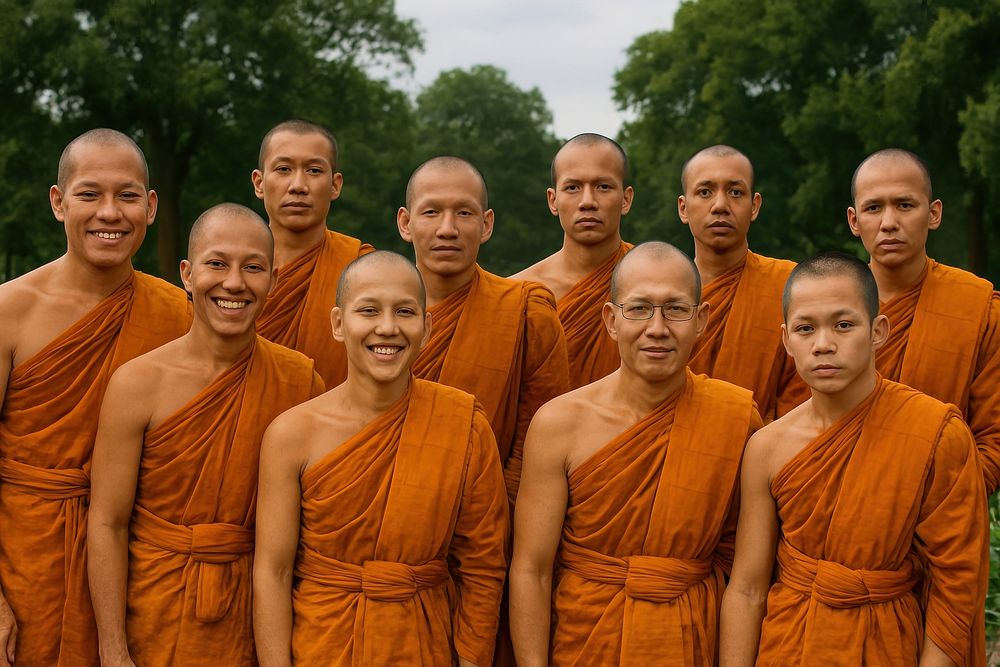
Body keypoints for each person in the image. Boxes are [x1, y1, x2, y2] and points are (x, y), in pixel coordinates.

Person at [721, 251, 987, 666]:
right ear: (787, 340)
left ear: (878, 330)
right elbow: (748, 589)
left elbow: (957, 587)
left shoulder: (935, 433)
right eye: (805, 329)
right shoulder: (767, 447)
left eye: (843, 325)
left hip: (886, 643)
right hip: (789, 644)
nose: (824, 344)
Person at [88, 204, 323, 666]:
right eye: (216, 264)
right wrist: (113, 648)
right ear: (187, 274)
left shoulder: (300, 382)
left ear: (273, 281)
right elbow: (107, 523)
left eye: (253, 268)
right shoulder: (138, 383)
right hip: (153, 608)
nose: (234, 283)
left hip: (255, 614)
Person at [511, 242, 761, 666]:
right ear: (611, 320)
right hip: (585, 641)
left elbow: (747, 578)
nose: (658, 328)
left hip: (689, 640)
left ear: (701, 320)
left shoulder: (736, 419)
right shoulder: (559, 424)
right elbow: (531, 570)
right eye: (639, 308)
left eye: (676, 310)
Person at [253, 251, 508, 666]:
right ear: (339, 323)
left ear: (426, 328)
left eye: (405, 312)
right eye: (368, 310)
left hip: (423, 645)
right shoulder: (293, 434)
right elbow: (273, 572)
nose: (387, 328)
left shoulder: (463, 422)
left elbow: (482, 566)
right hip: (322, 645)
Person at [0, 129, 191, 666]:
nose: (110, 213)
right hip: (25, 563)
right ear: (58, 203)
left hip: (139, 571)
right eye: (89, 194)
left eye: (128, 196)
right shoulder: (10, 311)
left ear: (151, 207)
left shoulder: (180, 315)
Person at [398, 156, 569, 503]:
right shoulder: (372, 317)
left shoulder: (525, 310)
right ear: (405, 222)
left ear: (487, 224)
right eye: (431, 212)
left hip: (489, 517)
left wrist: (490, 512)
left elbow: (540, 437)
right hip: (381, 509)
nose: (448, 228)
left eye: (464, 213)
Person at [847, 148, 1000, 493]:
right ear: (854, 221)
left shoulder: (977, 307)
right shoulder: (827, 308)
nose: (889, 223)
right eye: (874, 208)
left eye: (905, 205)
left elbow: (994, 439)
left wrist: (932, 499)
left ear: (933, 214)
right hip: (836, 510)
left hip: (942, 514)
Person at [678, 144, 807, 420]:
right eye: (705, 192)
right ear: (683, 208)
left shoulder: (790, 285)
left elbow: (804, 395)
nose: (721, 206)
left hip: (766, 451)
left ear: (755, 206)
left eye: (735, 192)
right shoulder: (661, 294)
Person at [252, 119, 373, 388]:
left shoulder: (362, 268)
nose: (298, 185)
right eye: (283, 169)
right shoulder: (228, 269)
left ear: (335, 185)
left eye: (314, 170)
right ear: (259, 183)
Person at [512, 133, 634, 389]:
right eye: (572, 187)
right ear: (552, 200)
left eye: (603, 186)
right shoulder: (517, 295)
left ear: (626, 199)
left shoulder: (653, 281)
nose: (587, 202)